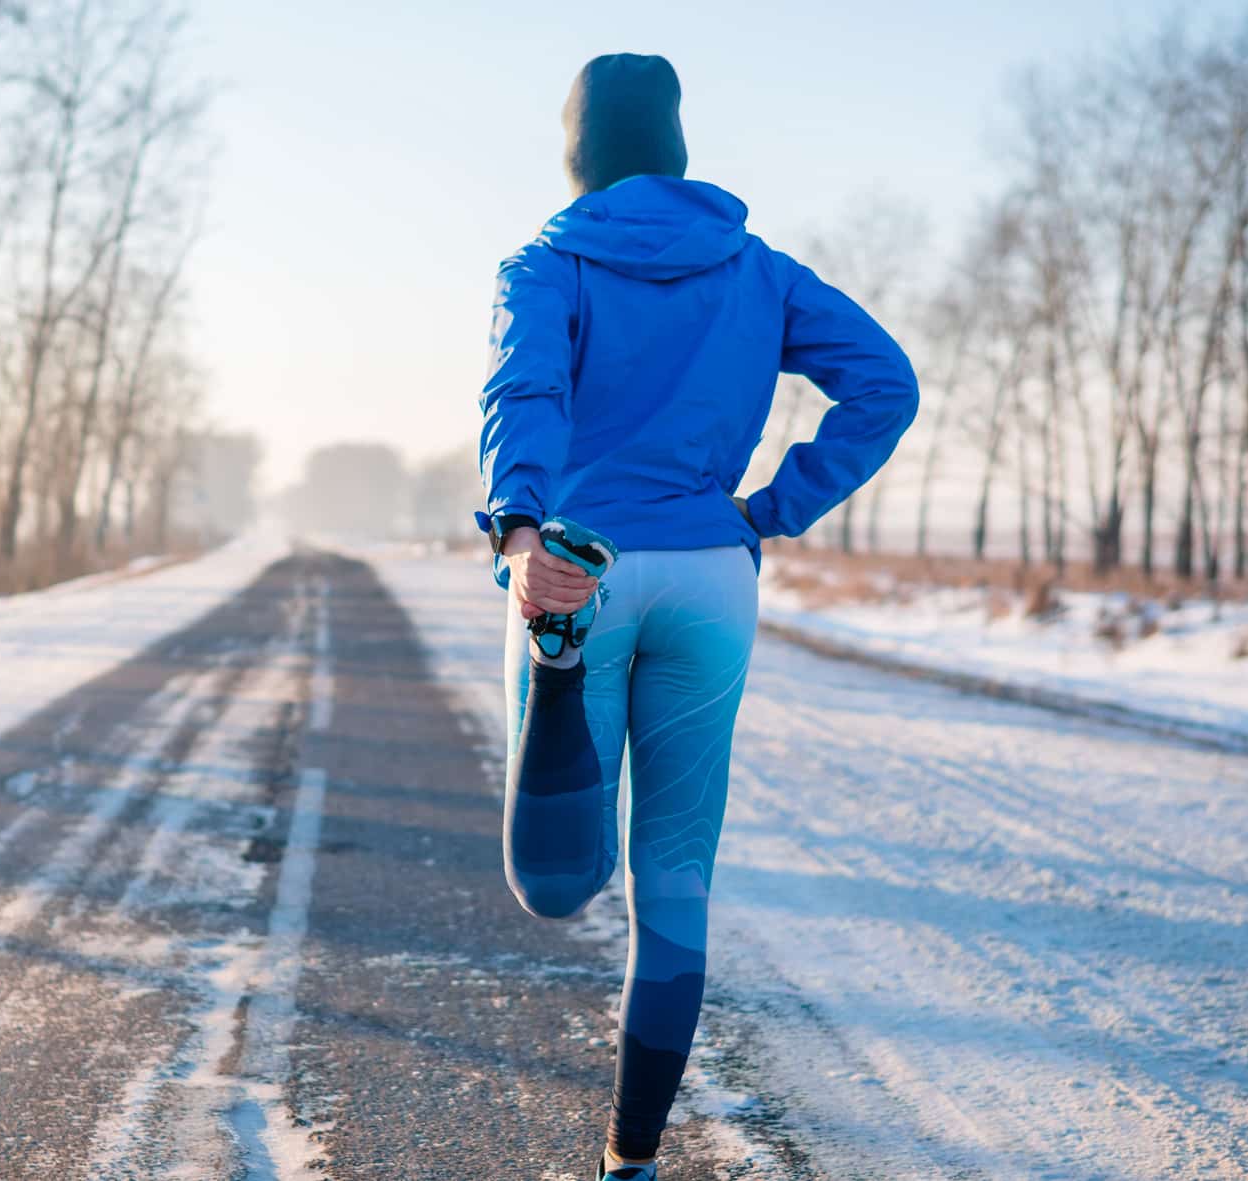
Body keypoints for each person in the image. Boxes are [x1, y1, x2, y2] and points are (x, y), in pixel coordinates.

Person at [475, 53, 920, 1181]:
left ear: (580, 152)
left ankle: (563, 665)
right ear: (672, 147)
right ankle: (631, 1160)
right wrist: (770, 511)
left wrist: (522, 532)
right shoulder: (759, 269)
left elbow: (521, 391)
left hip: (582, 563)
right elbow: (886, 381)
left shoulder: (546, 262)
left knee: (559, 883)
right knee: (674, 880)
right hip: (714, 576)